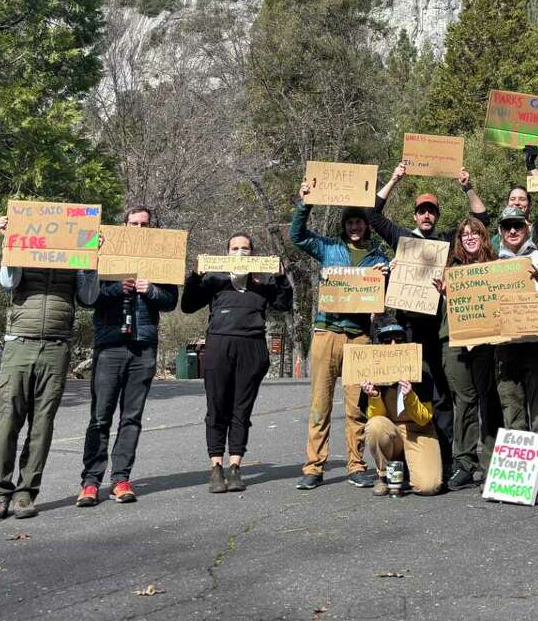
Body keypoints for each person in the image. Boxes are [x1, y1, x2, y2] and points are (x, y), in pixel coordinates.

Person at [0, 214, 100, 522]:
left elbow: (89, 298)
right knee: (8, 420)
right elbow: (8, 281)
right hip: (19, 345)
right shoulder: (24, 248)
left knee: (42, 424)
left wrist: (91, 261)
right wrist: (9, 241)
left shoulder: (76, 257)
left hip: (56, 347)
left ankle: (26, 494)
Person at [75, 206, 180, 507]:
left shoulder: (160, 257)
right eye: (133, 223)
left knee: (131, 418)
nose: (138, 228)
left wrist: (151, 291)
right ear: (124, 225)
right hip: (110, 346)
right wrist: (112, 288)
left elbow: (171, 301)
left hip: (143, 347)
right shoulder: (102, 253)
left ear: (151, 228)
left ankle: (121, 479)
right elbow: (85, 297)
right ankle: (90, 482)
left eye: (144, 224)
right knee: (100, 417)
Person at [290, 178, 390, 490]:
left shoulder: (378, 259)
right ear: (343, 225)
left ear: (366, 225)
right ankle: (314, 466)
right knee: (319, 404)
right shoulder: (329, 248)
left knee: (356, 407)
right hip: (326, 333)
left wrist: (386, 277)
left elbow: (386, 301)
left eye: (359, 221)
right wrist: (304, 204)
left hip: (359, 337)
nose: (355, 226)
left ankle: (356, 464)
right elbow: (297, 236)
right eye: (350, 221)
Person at [369, 161, 469, 471]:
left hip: (437, 330)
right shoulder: (401, 239)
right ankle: (404, 454)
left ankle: (444, 456)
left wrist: (467, 187)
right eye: (422, 211)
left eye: (431, 211)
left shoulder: (446, 242)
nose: (427, 215)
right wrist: (395, 178)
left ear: (437, 216)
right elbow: (373, 214)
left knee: (441, 393)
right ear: (415, 215)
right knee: (408, 385)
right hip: (407, 328)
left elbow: (479, 220)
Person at [181, 232, 294, 494]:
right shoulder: (214, 280)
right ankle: (216, 467)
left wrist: (280, 277)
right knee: (217, 406)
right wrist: (195, 276)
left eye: (245, 248)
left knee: (241, 409)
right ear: (226, 252)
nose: (240, 252)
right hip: (219, 344)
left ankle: (235, 467)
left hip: (252, 347)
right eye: (234, 248)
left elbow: (283, 305)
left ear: (253, 254)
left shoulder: (263, 281)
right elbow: (187, 305)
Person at [494, 204, 538, 498]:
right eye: (507, 226)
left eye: (518, 226)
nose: (513, 231)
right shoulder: (490, 266)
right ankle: (518, 484)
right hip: (505, 348)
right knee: (513, 415)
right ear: (500, 231)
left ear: (527, 229)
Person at [434, 216, 504, 489]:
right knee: (463, 399)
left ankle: (490, 462)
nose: (470, 238)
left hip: (487, 340)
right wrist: (444, 294)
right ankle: (464, 462)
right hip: (454, 339)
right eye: (464, 235)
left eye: (474, 233)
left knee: (489, 399)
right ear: (459, 241)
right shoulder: (451, 268)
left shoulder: (496, 265)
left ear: (483, 236)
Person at [359, 318, 444, 497]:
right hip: (391, 430)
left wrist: (410, 396)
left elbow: (424, 418)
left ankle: (408, 467)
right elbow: (375, 418)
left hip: (418, 430)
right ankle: (383, 476)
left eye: (398, 340)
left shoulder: (421, 371)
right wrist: (374, 396)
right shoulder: (372, 373)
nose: (392, 345)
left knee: (429, 486)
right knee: (375, 426)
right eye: (386, 341)